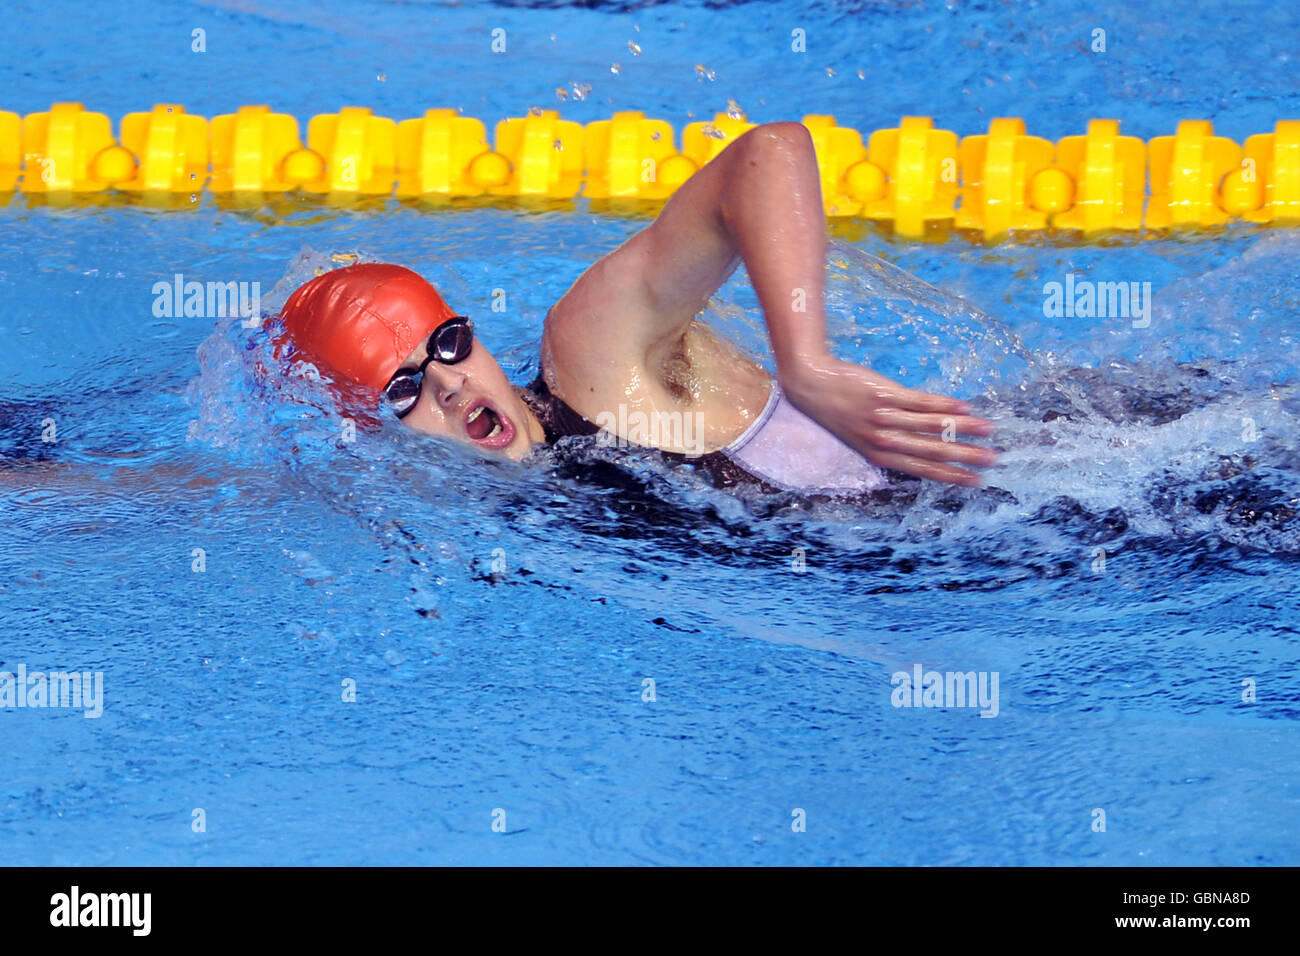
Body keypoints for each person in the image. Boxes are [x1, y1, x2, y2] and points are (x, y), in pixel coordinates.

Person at [276, 122, 998, 493]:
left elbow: (769, 154)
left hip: (1027, 489)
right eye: (403, 388)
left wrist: (807, 365)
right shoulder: (499, 500)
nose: (450, 382)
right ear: (369, 433)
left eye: (450, 343)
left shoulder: (591, 357)